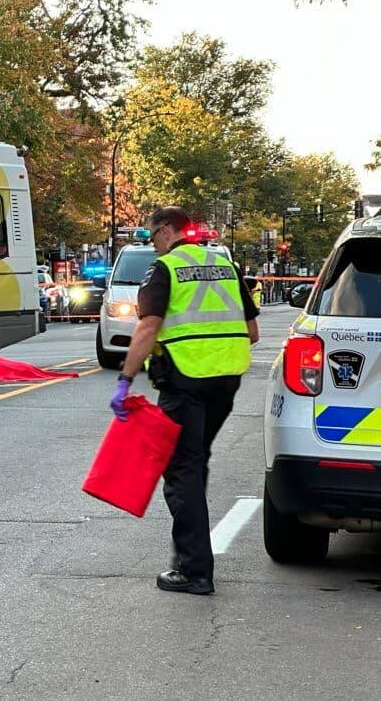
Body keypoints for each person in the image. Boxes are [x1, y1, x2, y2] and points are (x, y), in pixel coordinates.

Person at [108, 206, 260, 596]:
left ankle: (194, 571)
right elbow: (252, 331)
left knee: (181, 472)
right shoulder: (226, 265)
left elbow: (148, 326)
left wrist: (125, 379)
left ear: (165, 231)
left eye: (150, 235)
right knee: (195, 461)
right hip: (226, 380)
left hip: (186, 381)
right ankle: (188, 556)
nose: (151, 243)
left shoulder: (164, 269)